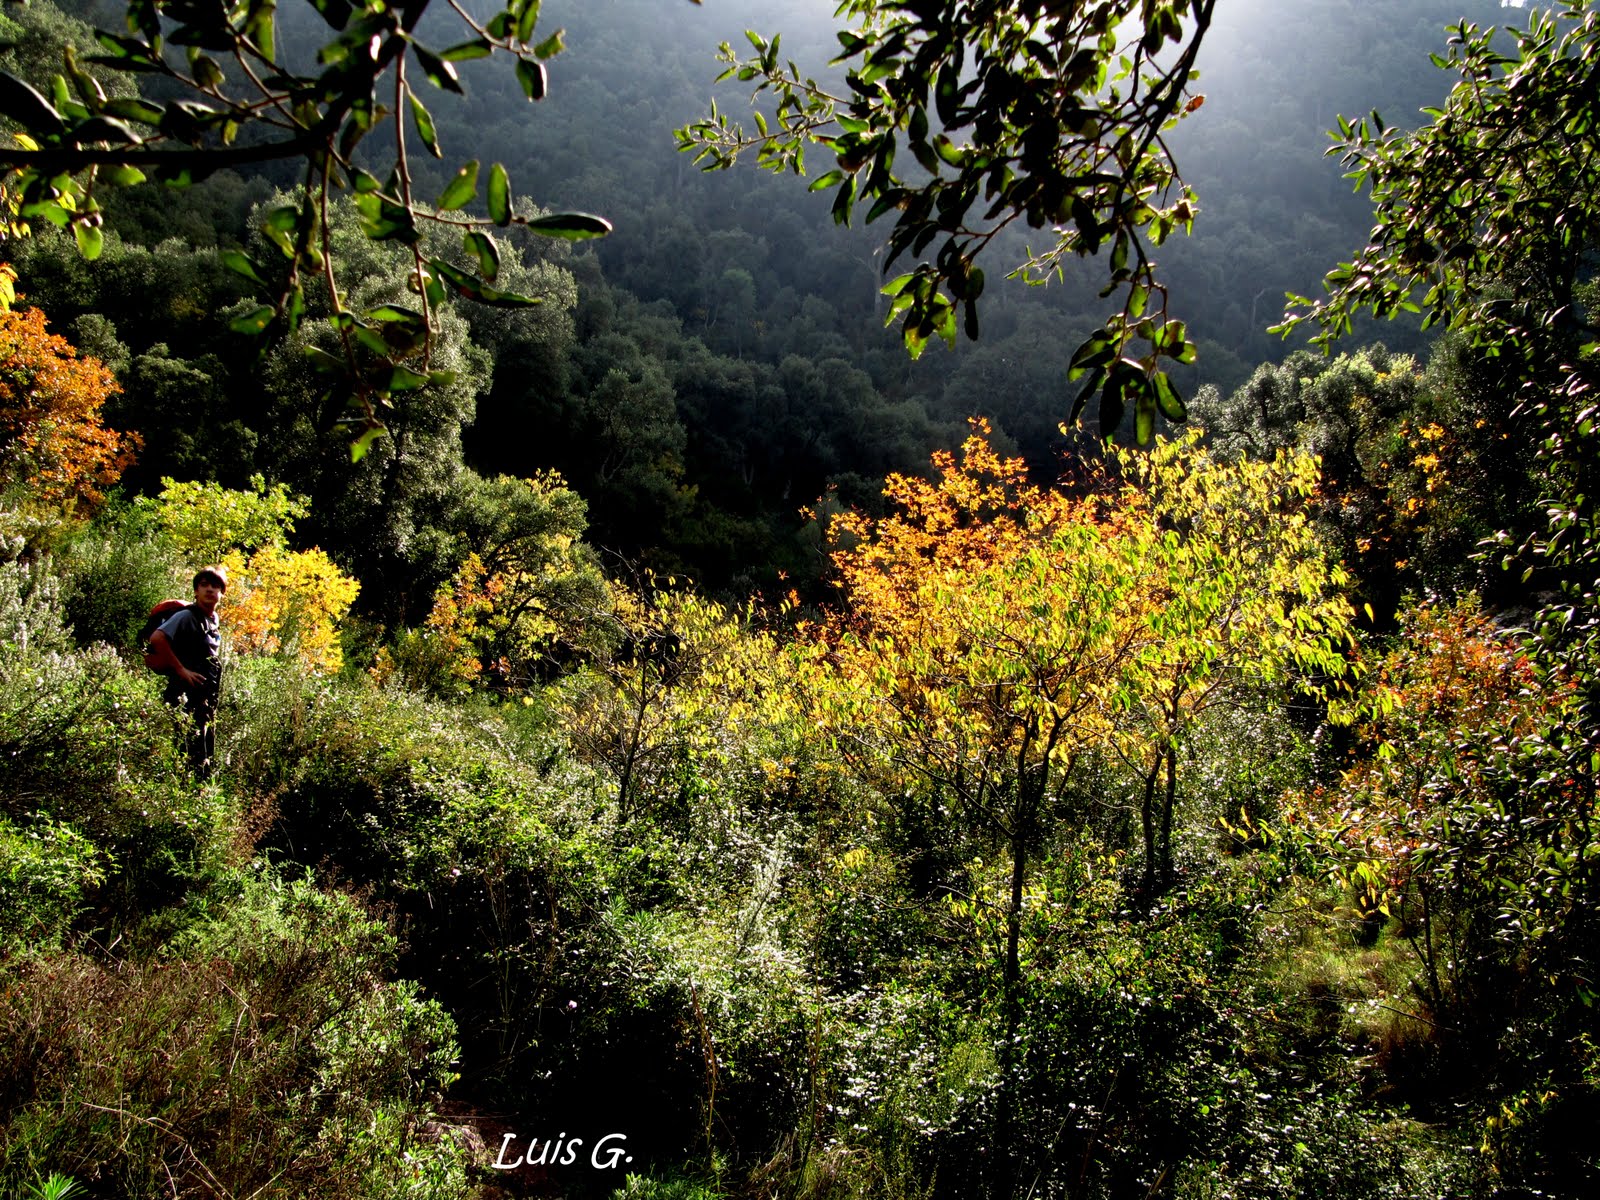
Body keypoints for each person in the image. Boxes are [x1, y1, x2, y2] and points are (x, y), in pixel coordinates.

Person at [145, 566, 226, 775]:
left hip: (204, 694)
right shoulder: (186, 616)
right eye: (204, 585)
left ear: (221, 593)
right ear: (196, 591)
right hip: (186, 692)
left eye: (215, 586)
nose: (209, 590)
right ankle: (183, 784)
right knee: (188, 745)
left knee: (204, 743)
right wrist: (181, 670)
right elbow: (157, 638)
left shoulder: (212, 619)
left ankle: (200, 785)